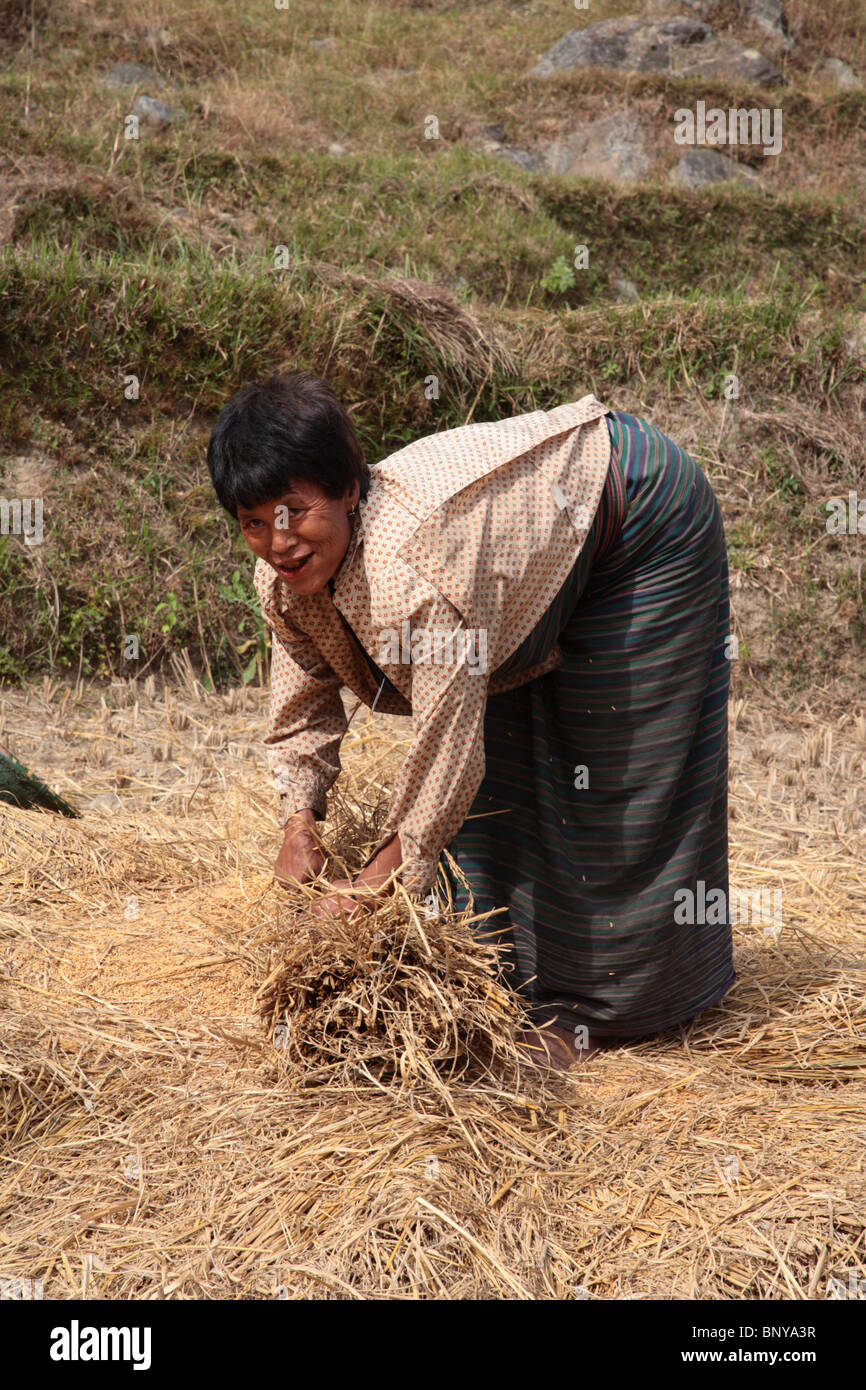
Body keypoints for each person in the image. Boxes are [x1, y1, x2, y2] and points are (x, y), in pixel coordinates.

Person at [206, 371, 734, 1069]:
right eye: (252, 522)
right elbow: (302, 696)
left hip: (637, 516)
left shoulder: (416, 568)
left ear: (350, 491)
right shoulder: (284, 580)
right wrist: (299, 820)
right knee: (508, 761)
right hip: (527, 556)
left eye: (294, 511)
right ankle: (516, 981)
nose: (278, 542)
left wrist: (374, 886)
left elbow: (447, 749)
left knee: (613, 769)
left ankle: (613, 1013)